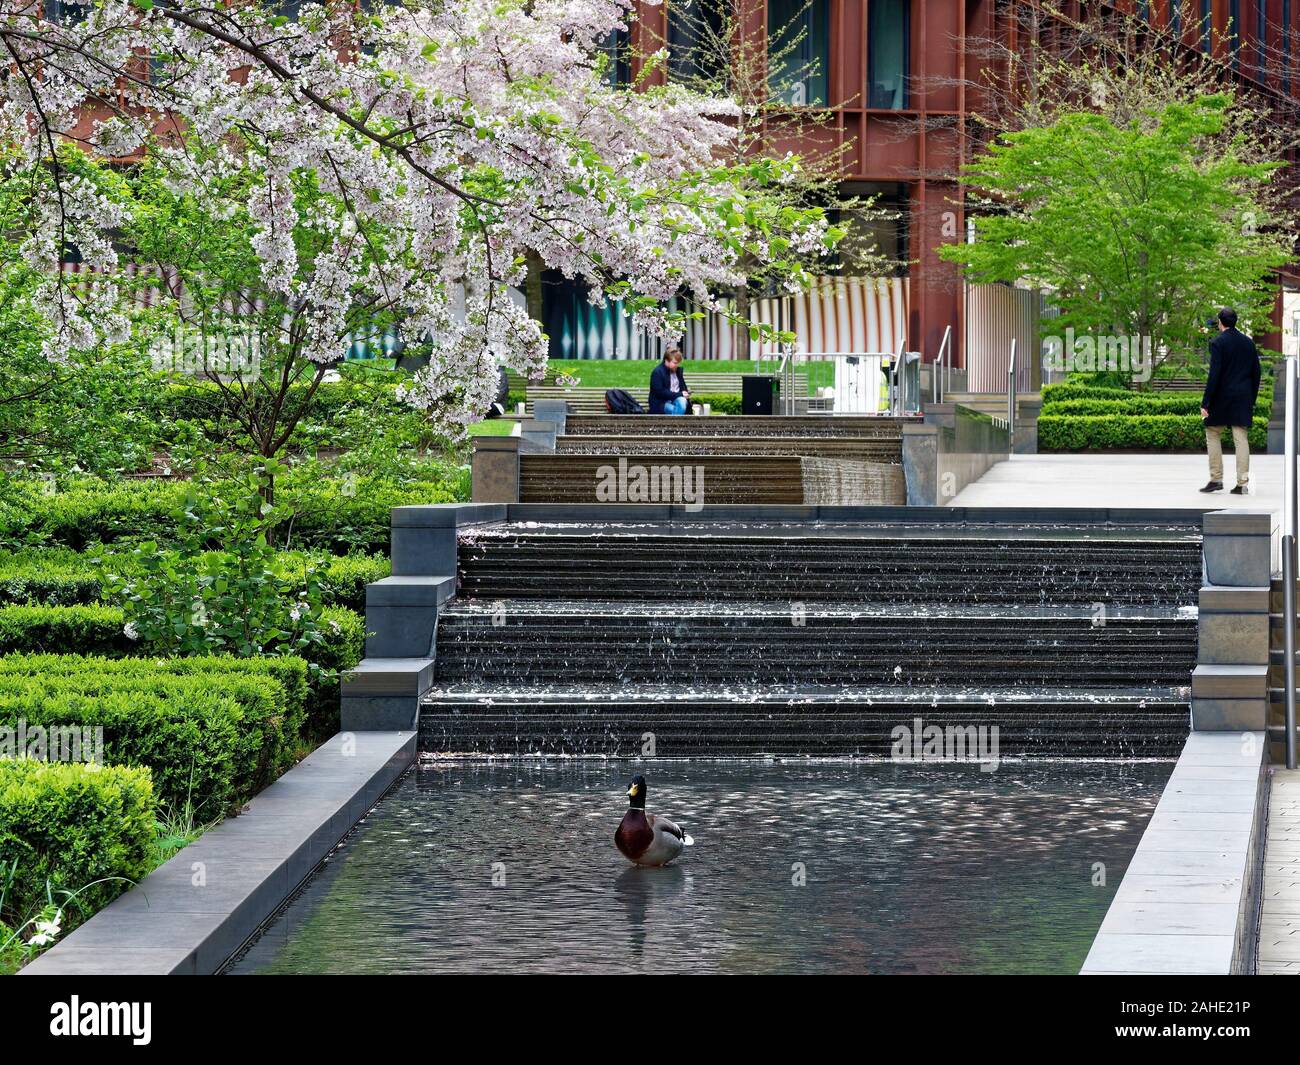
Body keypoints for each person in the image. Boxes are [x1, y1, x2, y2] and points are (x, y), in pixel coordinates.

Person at [1200, 307, 1262, 495]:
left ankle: (1216, 479)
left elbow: (1215, 374)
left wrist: (1206, 402)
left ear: (1220, 322)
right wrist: (1252, 397)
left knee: (1212, 431)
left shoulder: (1218, 342)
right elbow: (1256, 373)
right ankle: (1242, 483)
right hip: (1243, 396)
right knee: (1241, 437)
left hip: (1222, 397)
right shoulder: (1248, 343)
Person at [649, 347, 690, 415]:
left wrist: (685, 393)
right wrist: (680, 394)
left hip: (677, 400)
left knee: (682, 402)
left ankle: (673, 424)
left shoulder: (678, 372)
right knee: (676, 410)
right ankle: (677, 425)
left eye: (678, 363)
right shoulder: (657, 372)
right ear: (666, 361)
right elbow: (660, 393)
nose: (677, 365)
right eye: (675, 363)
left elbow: (683, 388)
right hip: (661, 403)